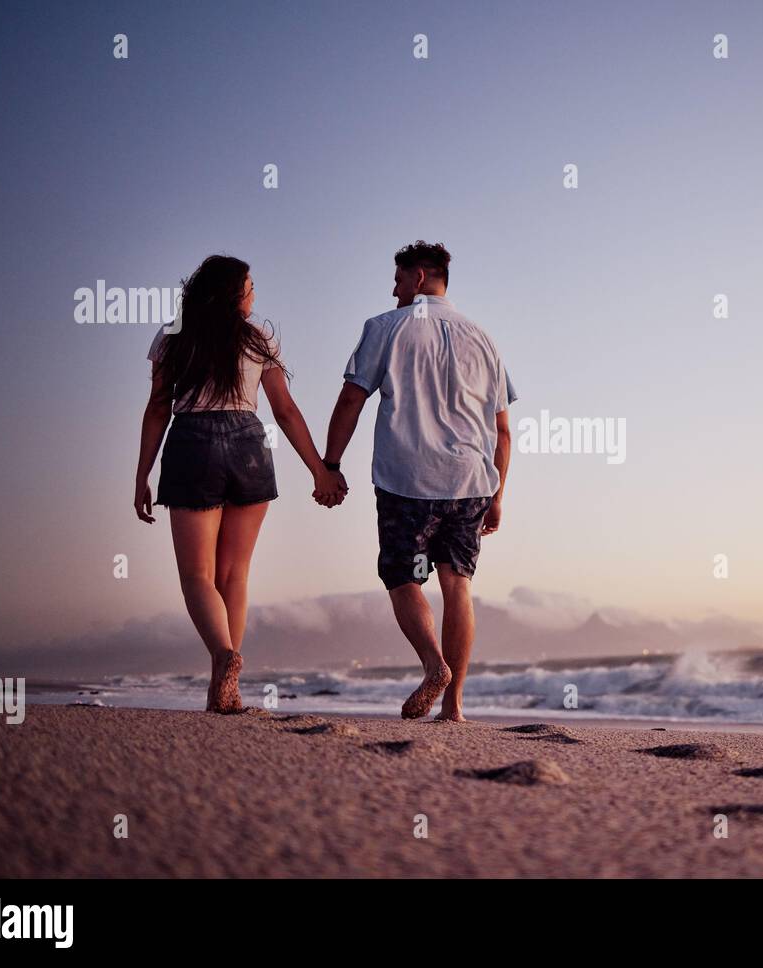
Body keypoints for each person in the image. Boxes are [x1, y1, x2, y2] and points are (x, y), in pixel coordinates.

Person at [134, 255, 346, 713]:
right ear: (232, 293)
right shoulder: (258, 338)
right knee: (234, 573)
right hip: (249, 444)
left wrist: (142, 475)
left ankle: (223, 656)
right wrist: (319, 470)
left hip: (192, 444)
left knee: (197, 576)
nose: (254, 295)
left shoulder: (172, 335)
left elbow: (158, 408)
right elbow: (285, 410)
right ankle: (224, 686)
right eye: (250, 287)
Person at [323, 241, 516, 721]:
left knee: (403, 576)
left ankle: (433, 664)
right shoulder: (484, 338)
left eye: (397, 280)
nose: (394, 291)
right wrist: (497, 495)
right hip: (471, 482)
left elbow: (351, 399)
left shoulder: (385, 327)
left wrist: (330, 463)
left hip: (406, 479)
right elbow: (503, 430)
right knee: (458, 584)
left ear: (419, 277)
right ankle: (454, 707)